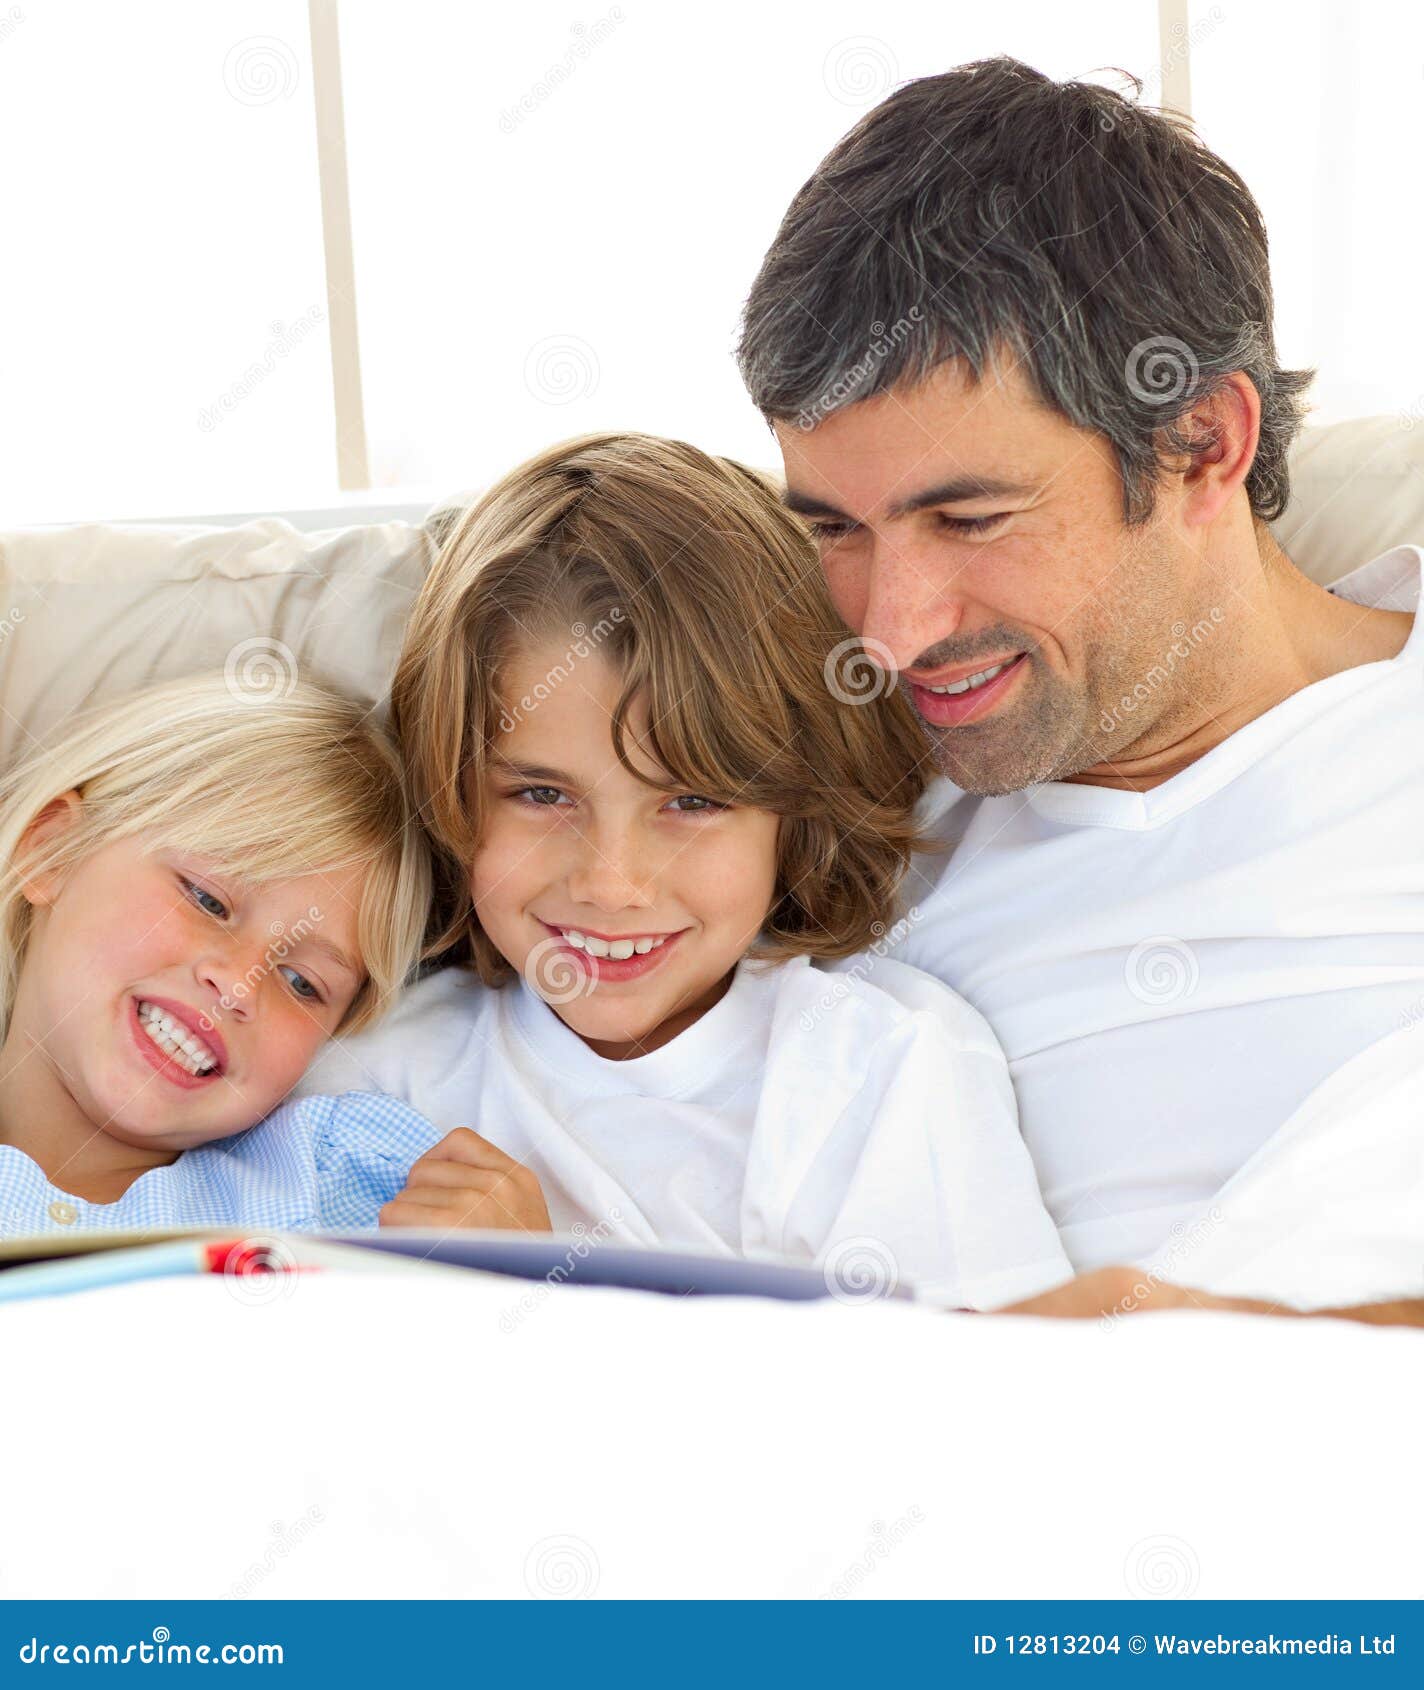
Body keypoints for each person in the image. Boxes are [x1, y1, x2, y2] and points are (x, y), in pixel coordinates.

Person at [734, 58, 1424, 1323]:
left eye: (968, 516)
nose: (889, 633)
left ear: (1199, 444)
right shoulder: (818, 840)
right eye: (835, 529)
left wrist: (1212, 1344)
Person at [303, 432, 1073, 1308]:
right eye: (542, 795)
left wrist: (541, 1302)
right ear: (451, 788)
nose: (611, 882)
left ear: (794, 810)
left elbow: (988, 1410)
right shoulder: (369, 1069)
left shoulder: (880, 1068)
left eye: (693, 802)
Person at [0, 672, 439, 1231]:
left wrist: (503, 1265)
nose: (236, 986)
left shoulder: (344, 1182)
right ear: (52, 855)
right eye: (207, 899)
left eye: (302, 982)